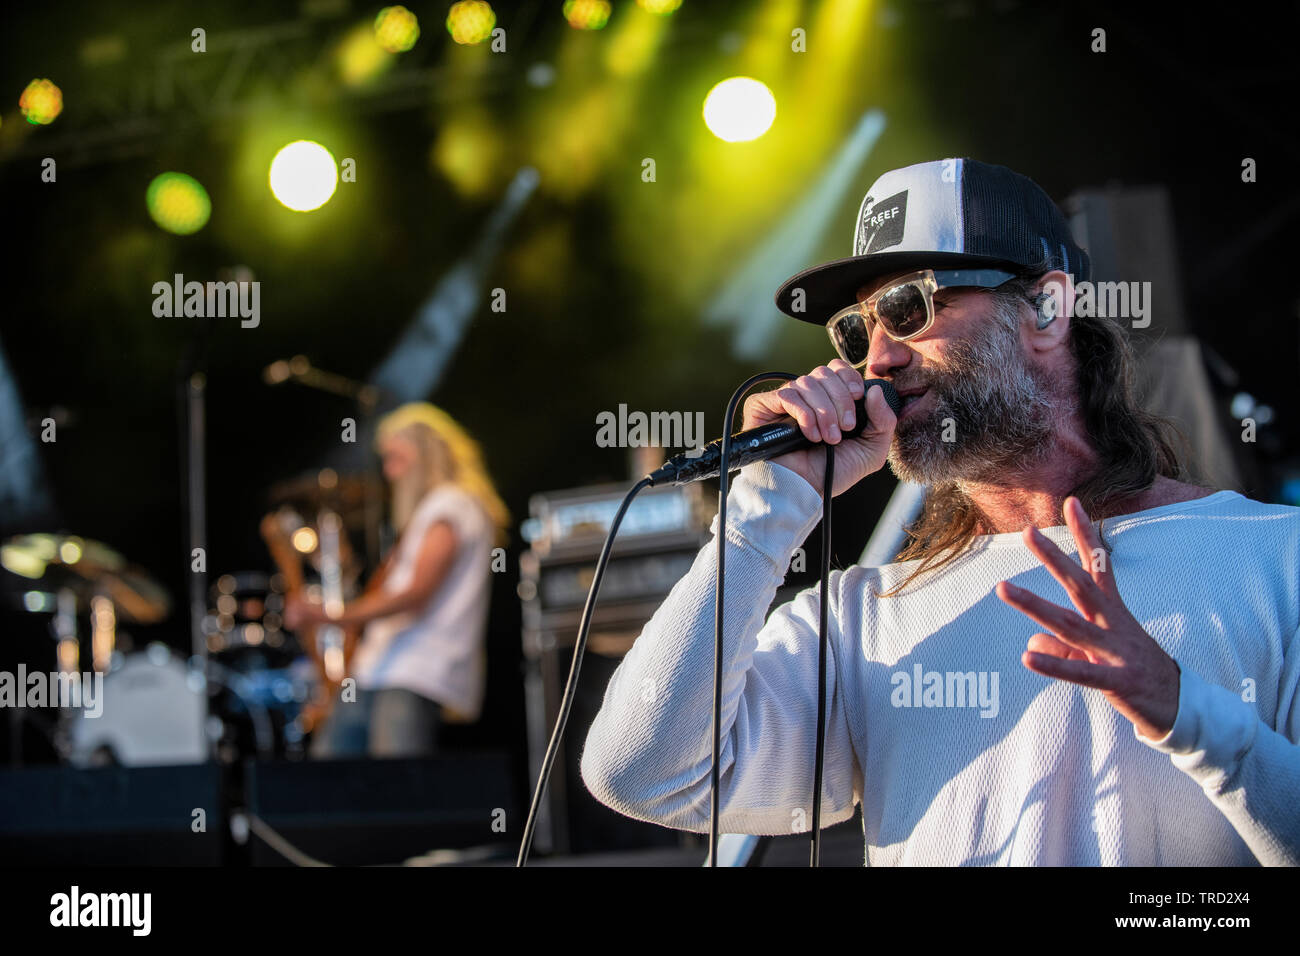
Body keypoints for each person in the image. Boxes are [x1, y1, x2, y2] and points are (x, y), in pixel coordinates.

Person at [580, 158, 1300, 865]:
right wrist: (770, 506)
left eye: (908, 308)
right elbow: (643, 774)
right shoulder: (864, 617)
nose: (878, 360)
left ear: (1046, 309)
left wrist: (1188, 714)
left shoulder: (1274, 558)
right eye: (857, 333)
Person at [287, 402, 509, 758]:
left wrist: (330, 615)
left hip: (416, 668)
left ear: (424, 452)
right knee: (335, 772)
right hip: (382, 667)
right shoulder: (435, 510)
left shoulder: (451, 504)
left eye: (395, 458)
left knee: (394, 787)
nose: (390, 472)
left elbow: (416, 593)